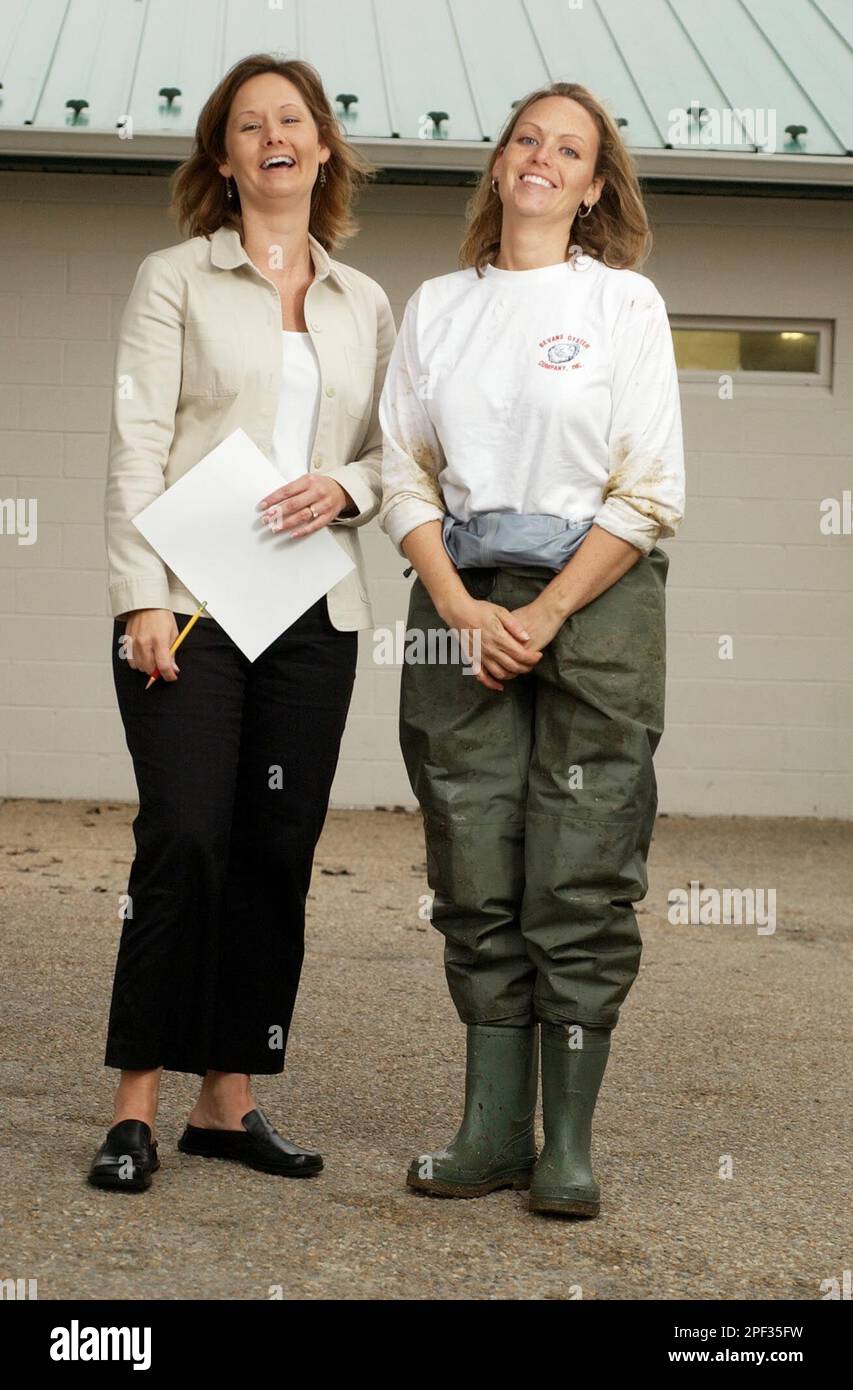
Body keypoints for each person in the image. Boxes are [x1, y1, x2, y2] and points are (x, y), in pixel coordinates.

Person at [378, 81, 685, 1218]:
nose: (542, 159)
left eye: (570, 149)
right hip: (460, 595)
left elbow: (650, 486)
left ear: (594, 184)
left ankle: (568, 1144)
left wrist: (547, 613)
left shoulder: (624, 307)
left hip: (594, 598)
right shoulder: (438, 306)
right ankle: (491, 1129)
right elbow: (400, 466)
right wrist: (458, 603)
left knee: (582, 857)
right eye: (526, 139)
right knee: (471, 852)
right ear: (499, 162)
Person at [89, 54, 395, 1191]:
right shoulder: (173, 277)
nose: (274, 135)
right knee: (183, 837)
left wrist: (350, 491)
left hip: (314, 612)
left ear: (323, 147)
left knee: (276, 850)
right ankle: (133, 1106)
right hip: (194, 607)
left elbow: (393, 452)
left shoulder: (365, 302)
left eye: (293, 120)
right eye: (249, 124)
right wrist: (141, 595)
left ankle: (228, 1101)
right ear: (223, 156)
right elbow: (134, 443)